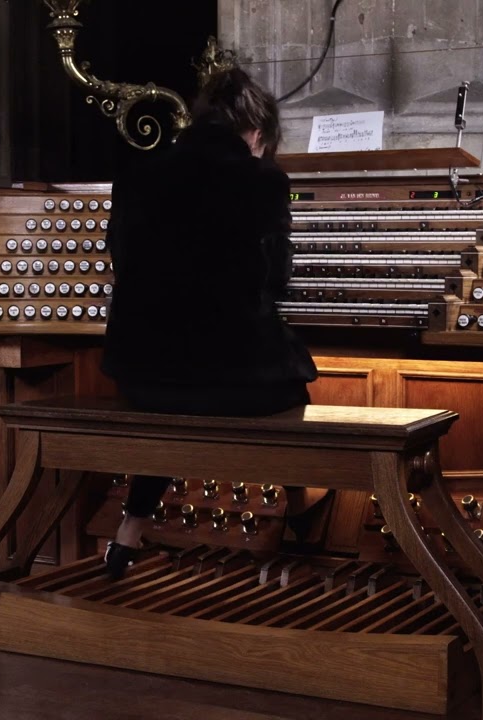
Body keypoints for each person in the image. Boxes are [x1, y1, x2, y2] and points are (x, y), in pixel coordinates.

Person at [99, 67, 318, 579]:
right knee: (297, 387)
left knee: (174, 398)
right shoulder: (262, 177)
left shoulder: (137, 173)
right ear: (257, 133)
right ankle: (303, 523)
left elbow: (121, 259)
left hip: (141, 378)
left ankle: (128, 531)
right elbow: (276, 281)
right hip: (232, 383)